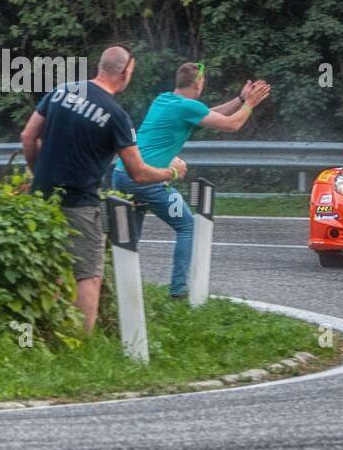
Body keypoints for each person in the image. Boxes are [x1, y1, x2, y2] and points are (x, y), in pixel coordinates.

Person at [19, 45, 187, 333]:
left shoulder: (62, 91)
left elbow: (28, 135)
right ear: (125, 72)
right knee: (87, 275)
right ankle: (79, 342)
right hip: (80, 203)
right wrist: (172, 172)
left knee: (49, 266)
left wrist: (39, 175)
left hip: (41, 197)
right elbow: (138, 172)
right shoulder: (116, 115)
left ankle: (39, 334)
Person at [114, 63, 270, 298]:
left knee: (129, 238)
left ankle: (118, 290)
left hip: (122, 174)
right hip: (146, 179)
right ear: (199, 82)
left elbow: (207, 114)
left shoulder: (165, 99)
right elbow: (232, 124)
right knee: (188, 226)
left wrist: (239, 99)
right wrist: (250, 104)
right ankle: (178, 290)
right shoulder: (187, 107)